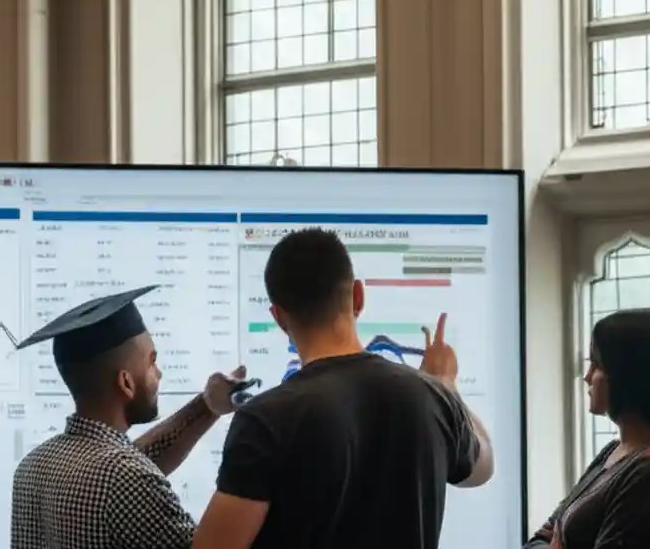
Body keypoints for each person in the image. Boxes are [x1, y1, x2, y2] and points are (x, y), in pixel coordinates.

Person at [191, 227, 494, 549]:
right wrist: (447, 385)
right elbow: (482, 468)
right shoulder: (431, 397)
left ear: (279, 317)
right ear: (358, 296)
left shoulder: (264, 419)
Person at [10, 285, 249, 549]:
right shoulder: (126, 478)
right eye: (151, 362)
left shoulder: (32, 467)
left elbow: (124, 461)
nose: (158, 373)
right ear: (126, 382)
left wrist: (207, 406)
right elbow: (128, 472)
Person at [525, 309, 650, 549]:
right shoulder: (615, 451)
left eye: (596, 365)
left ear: (629, 373)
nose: (587, 377)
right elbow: (541, 537)